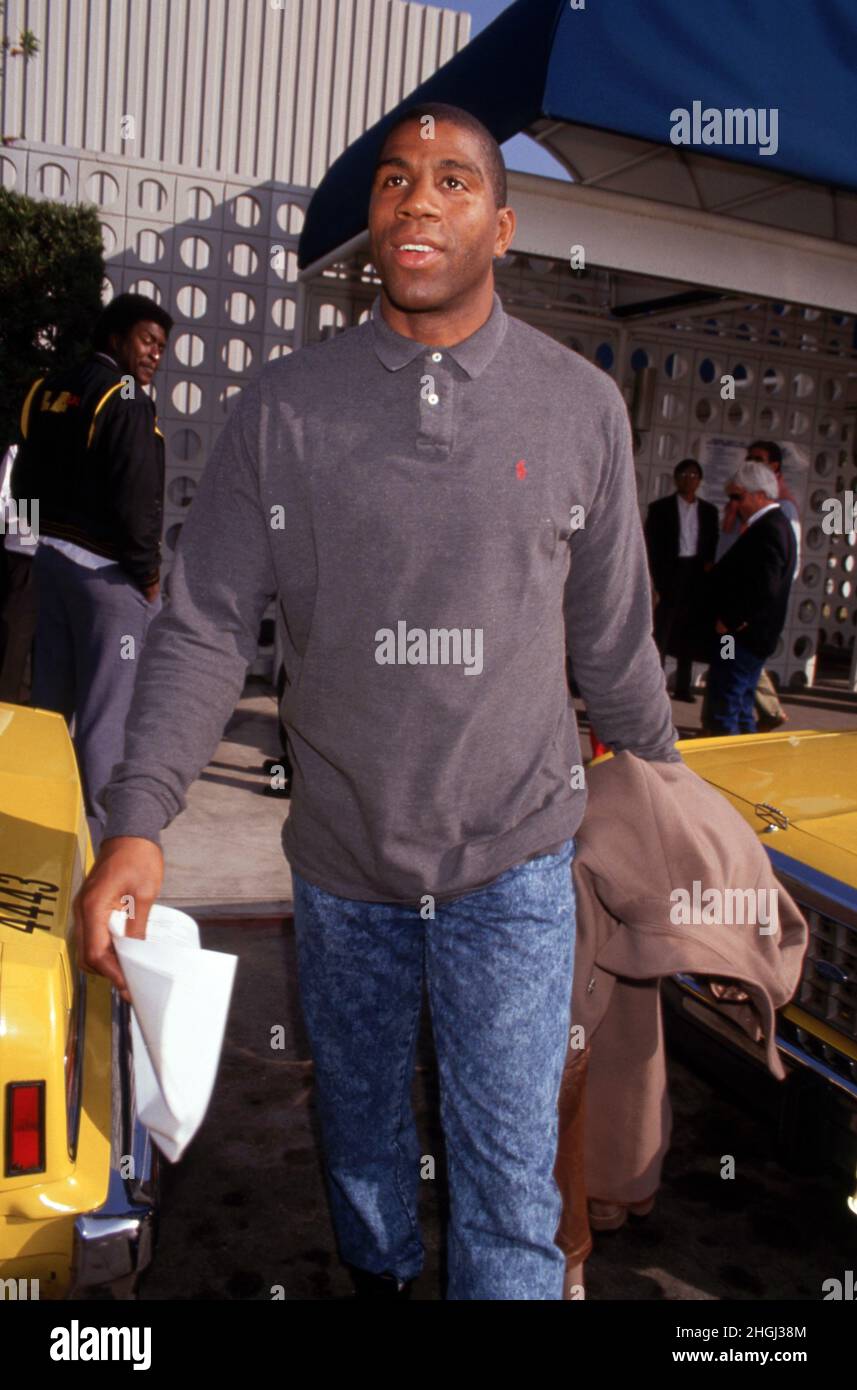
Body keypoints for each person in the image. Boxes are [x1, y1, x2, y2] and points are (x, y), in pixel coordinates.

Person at [74, 103, 680, 1302]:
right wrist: (140, 820)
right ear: (371, 220)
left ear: (500, 227)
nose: (417, 198)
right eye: (396, 178)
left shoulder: (579, 411)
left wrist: (674, 812)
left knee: (509, 1193)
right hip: (340, 867)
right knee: (356, 1145)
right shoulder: (281, 411)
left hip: (514, 866)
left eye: (453, 181)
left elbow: (613, 648)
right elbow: (201, 626)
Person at [11, 292, 172, 850]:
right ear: (115, 338)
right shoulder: (125, 397)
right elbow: (137, 502)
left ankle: (35, 829)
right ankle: (101, 851)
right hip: (109, 583)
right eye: (147, 341)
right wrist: (147, 577)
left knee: (49, 711)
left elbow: (23, 481)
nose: (154, 355)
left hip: (53, 567)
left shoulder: (50, 386)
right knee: (108, 719)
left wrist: (36, 542)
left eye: (161, 347)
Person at [701, 462, 797, 736]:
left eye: (738, 496)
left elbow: (765, 588)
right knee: (741, 700)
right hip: (743, 635)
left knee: (726, 697)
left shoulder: (769, 529)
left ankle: (726, 767)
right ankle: (744, 762)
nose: (734, 504)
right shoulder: (772, 526)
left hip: (738, 636)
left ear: (759, 494)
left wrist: (731, 621)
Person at [644, 458, 718, 701]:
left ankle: (683, 687)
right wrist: (654, 582)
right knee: (661, 632)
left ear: (700, 481)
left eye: (694, 475)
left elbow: (712, 544)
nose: (689, 479)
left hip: (695, 573)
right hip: (669, 573)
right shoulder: (660, 508)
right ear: (676, 478)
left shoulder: (709, 511)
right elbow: (651, 546)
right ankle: (654, 686)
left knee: (689, 632)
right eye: (684, 474)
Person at [746, 440, 801, 730]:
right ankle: (763, 711)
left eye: (758, 458)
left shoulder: (782, 507)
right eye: (749, 457)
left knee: (745, 658)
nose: (750, 462)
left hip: (765, 598)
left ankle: (766, 710)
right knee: (740, 661)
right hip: (751, 593)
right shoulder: (751, 499)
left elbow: (788, 558)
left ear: (774, 466)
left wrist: (773, 599)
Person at [0, 441, 39, 702]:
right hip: (25, 559)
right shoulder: (23, 450)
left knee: (54, 659)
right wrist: (33, 525)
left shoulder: (87, 447)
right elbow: (3, 502)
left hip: (69, 565)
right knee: (11, 652)